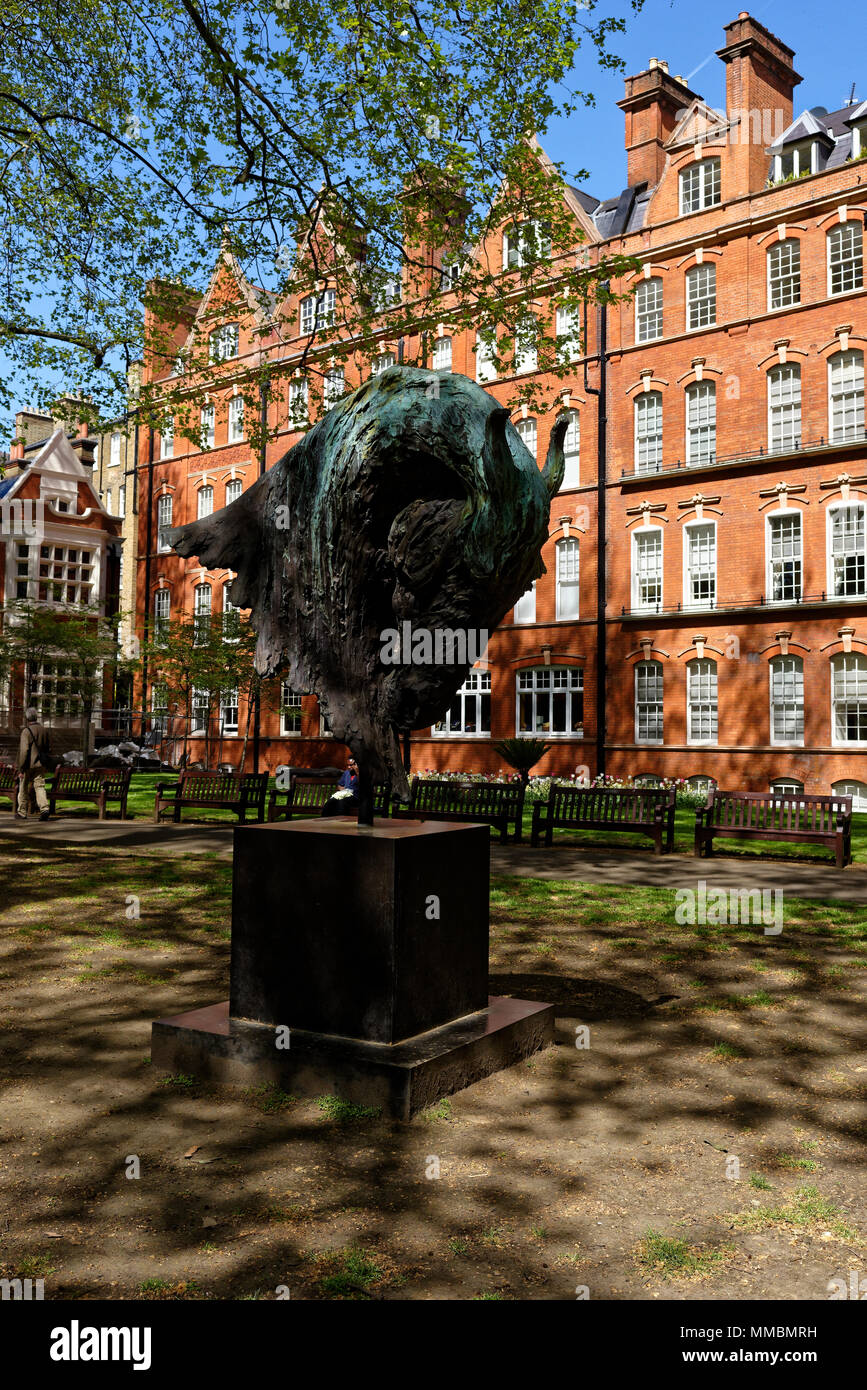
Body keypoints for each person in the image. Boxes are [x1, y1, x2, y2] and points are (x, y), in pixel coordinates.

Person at [16, 707, 53, 821]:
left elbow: (24, 752)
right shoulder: (44, 730)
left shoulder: (26, 731)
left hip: (27, 766)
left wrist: (21, 768)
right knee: (40, 787)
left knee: (23, 788)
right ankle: (44, 809)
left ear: (27, 718)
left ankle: (22, 812)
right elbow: (49, 749)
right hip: (40, 764)